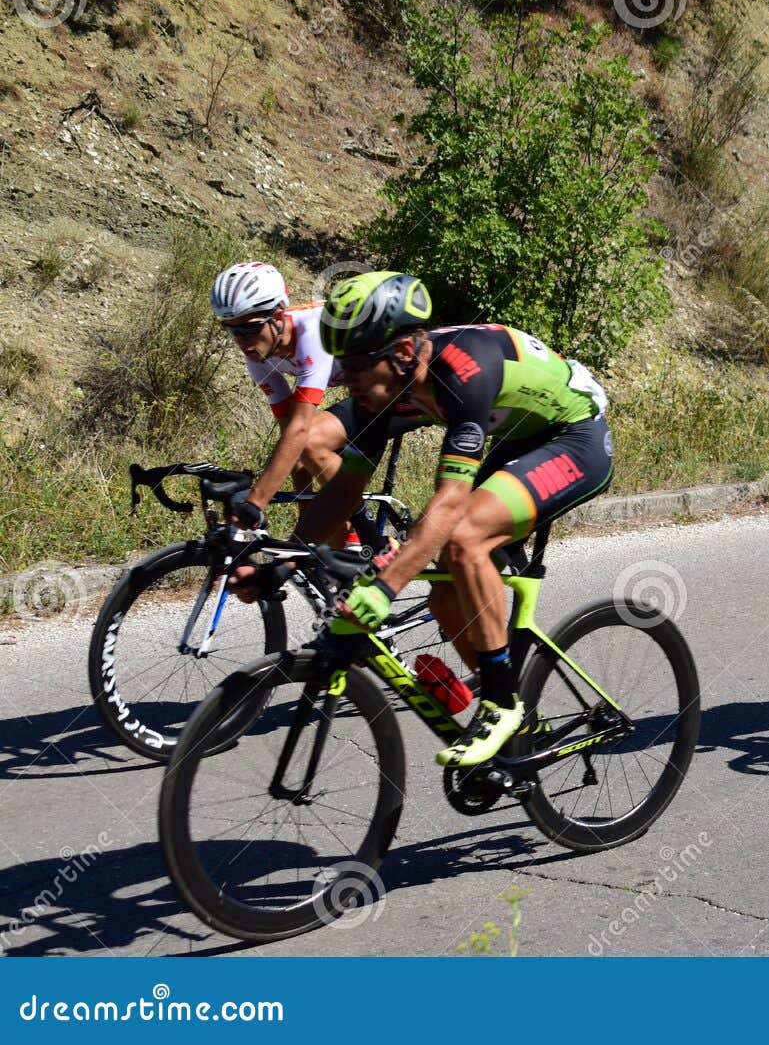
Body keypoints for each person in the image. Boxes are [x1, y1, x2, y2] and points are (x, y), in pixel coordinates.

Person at [236, 271, 613, 768]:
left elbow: (450, 501)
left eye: (353, 367)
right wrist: (282, 564)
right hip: (518, 437)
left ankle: (503, 703)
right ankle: (519, 719)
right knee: (444, 593)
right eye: (341, 368)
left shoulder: (464, 373)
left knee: (462, 537)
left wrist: (383, 587)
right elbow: (344, 490)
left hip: (573, 436)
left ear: (403, 355)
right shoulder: (385, 391)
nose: (344, 381)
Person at [212, 261, 423, 546]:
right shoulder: (258, 357)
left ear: (277, 316)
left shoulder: (312, 331)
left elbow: (300, 434)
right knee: (313, 504)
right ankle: (338, 553)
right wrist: (306, 524)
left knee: (310, 439)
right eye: (231, 331)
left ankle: (366, 534)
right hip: (364, 392)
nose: (241, 341)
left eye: (249, 329)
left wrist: (255, 503)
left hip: (401, 390)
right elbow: (291, 442)